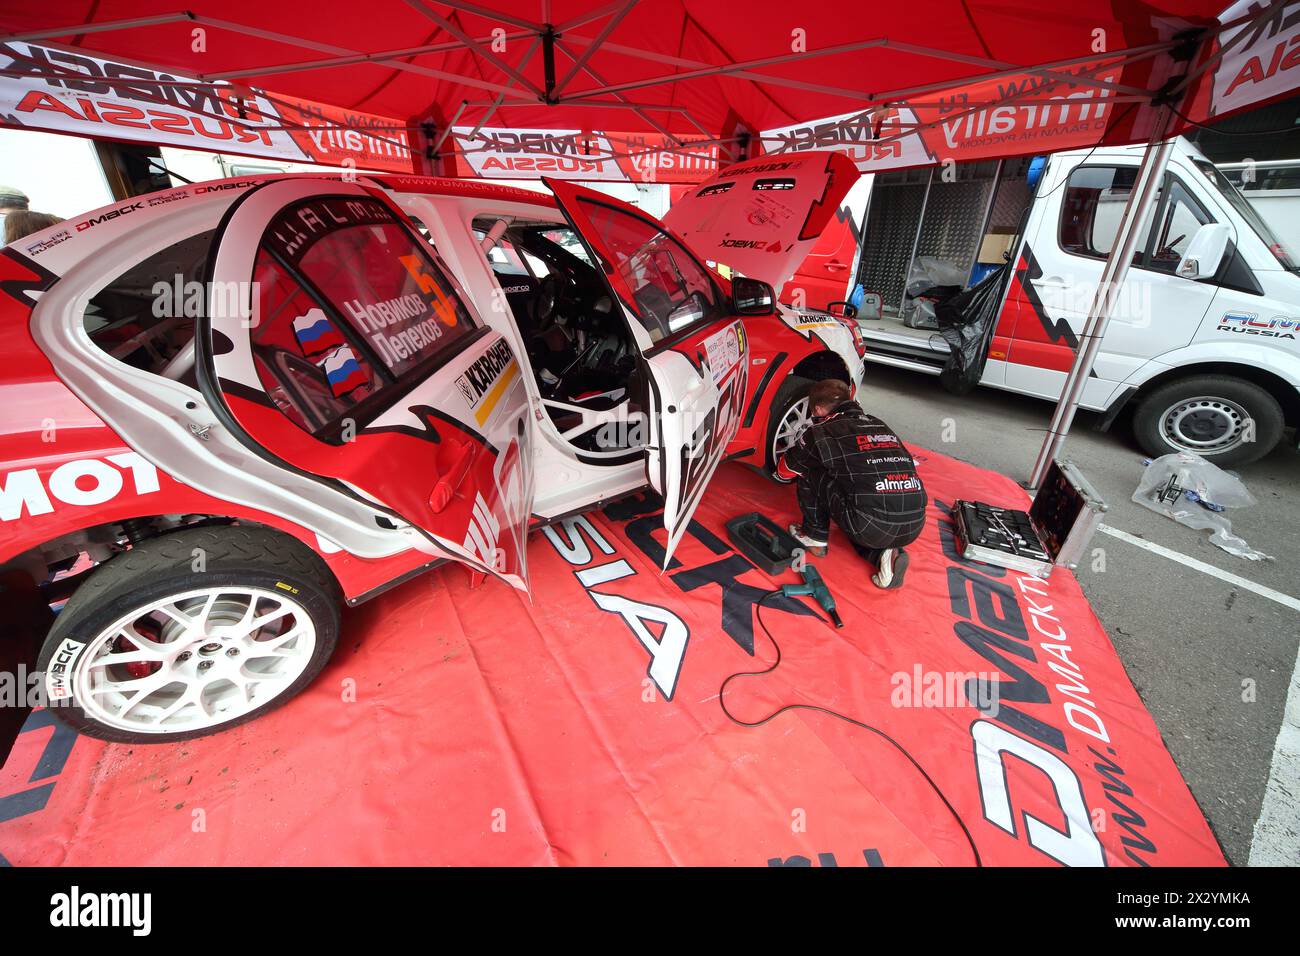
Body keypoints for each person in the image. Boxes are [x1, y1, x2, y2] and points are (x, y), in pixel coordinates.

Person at [776, 379, 927, 589]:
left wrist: (803, 452)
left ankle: (814, 536)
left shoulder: (822, 432)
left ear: (818, 409)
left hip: (869, 522)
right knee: (863, 498)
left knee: (810, 471)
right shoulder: (878, 423)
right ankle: (884, 555)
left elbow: (785, 472)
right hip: (914, 522)